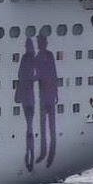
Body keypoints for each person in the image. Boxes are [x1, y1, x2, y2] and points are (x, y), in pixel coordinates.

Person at [34, 33, 60, 167]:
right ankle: (43, 152)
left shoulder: (49, 55)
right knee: (43, 125)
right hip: (42, 94)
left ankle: (52, 153)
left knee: (52, 125)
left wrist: (56, 93)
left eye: (40, 41)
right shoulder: (37, 57)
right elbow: (38, 74)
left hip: (49, 93)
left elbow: (53, 73)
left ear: (44, 43)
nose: (38, 43)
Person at [15, 37, 38, 171]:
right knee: (29, 126)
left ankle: (29, 155)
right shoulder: (30, 58)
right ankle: (30, 156)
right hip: (27, 93)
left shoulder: (25, 58)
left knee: (29, 126)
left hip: (26, 93)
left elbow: (20, 75)